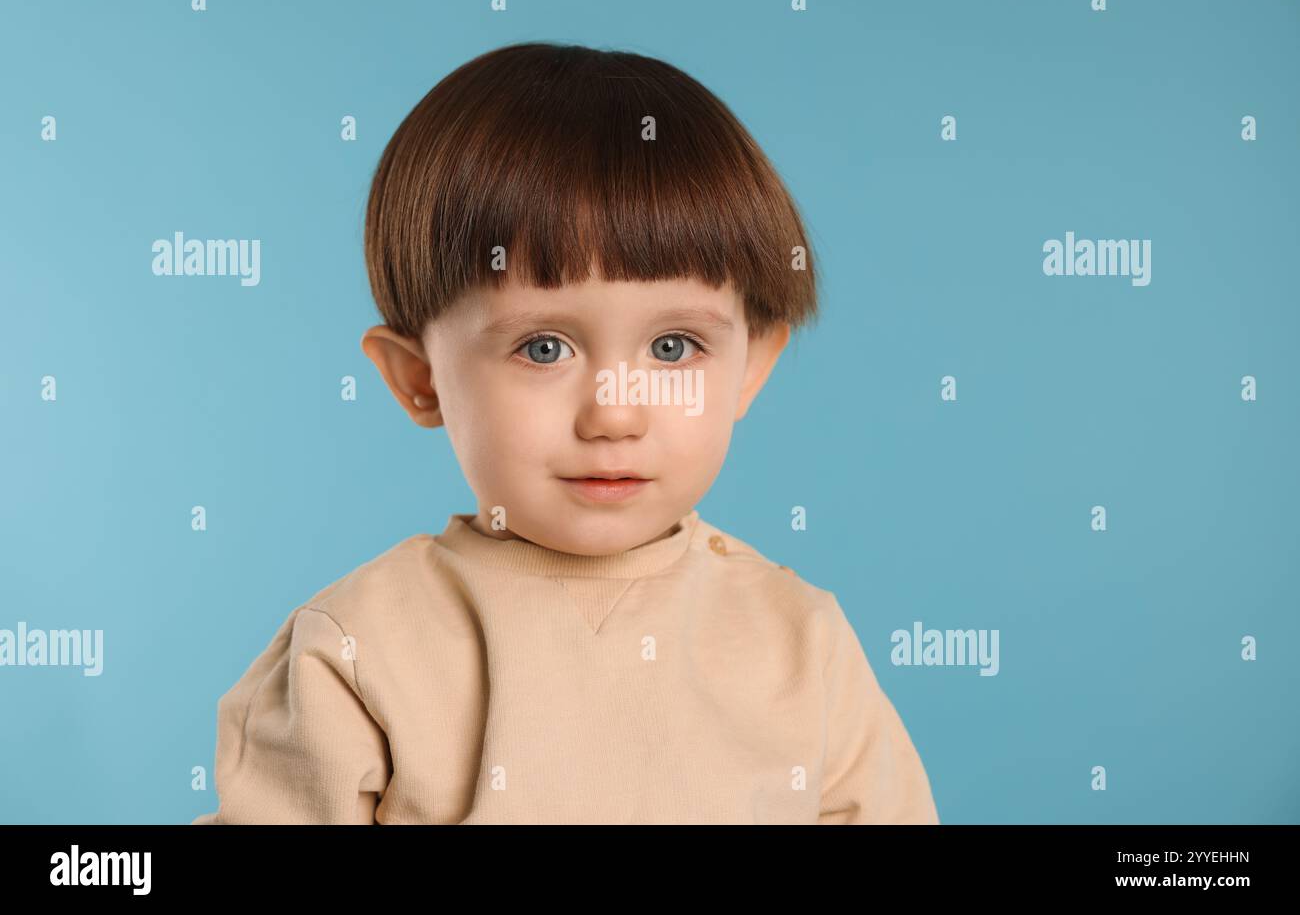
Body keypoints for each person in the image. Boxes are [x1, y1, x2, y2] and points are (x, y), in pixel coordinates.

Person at [192, 42, 939, 824]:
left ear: (751, 366)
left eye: (674, 346)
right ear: (419, 378)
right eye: (543, 348)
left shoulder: (803, 647)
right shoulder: (354, 652)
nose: (614, 412)